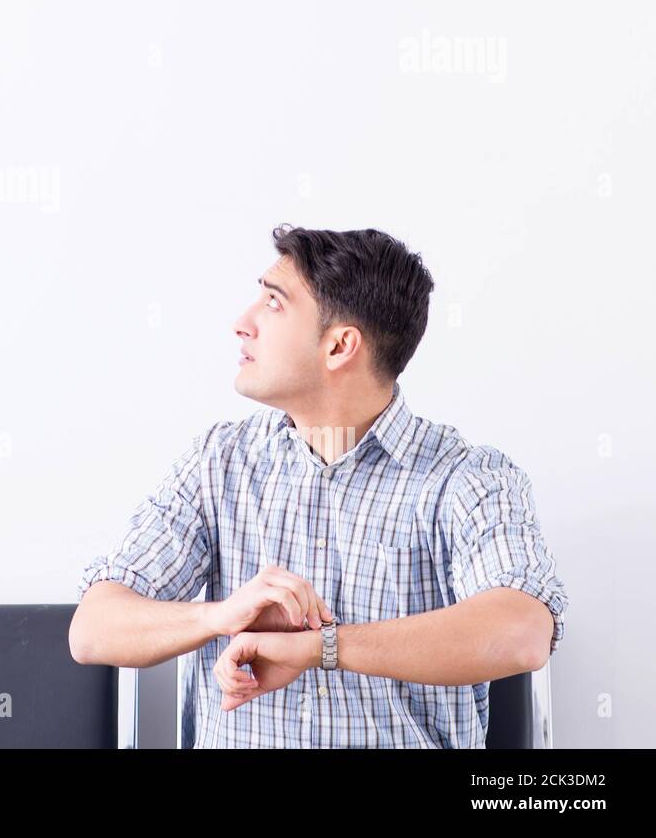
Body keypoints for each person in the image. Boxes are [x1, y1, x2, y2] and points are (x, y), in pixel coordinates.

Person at [70, 223, 568, 748]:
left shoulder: (469, 478)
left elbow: (522, 632)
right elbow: (94, 629)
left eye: (273, 303)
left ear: (339, 346)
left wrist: (321, 648)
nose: (242, 323)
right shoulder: (218, 461)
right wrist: (218, 616)